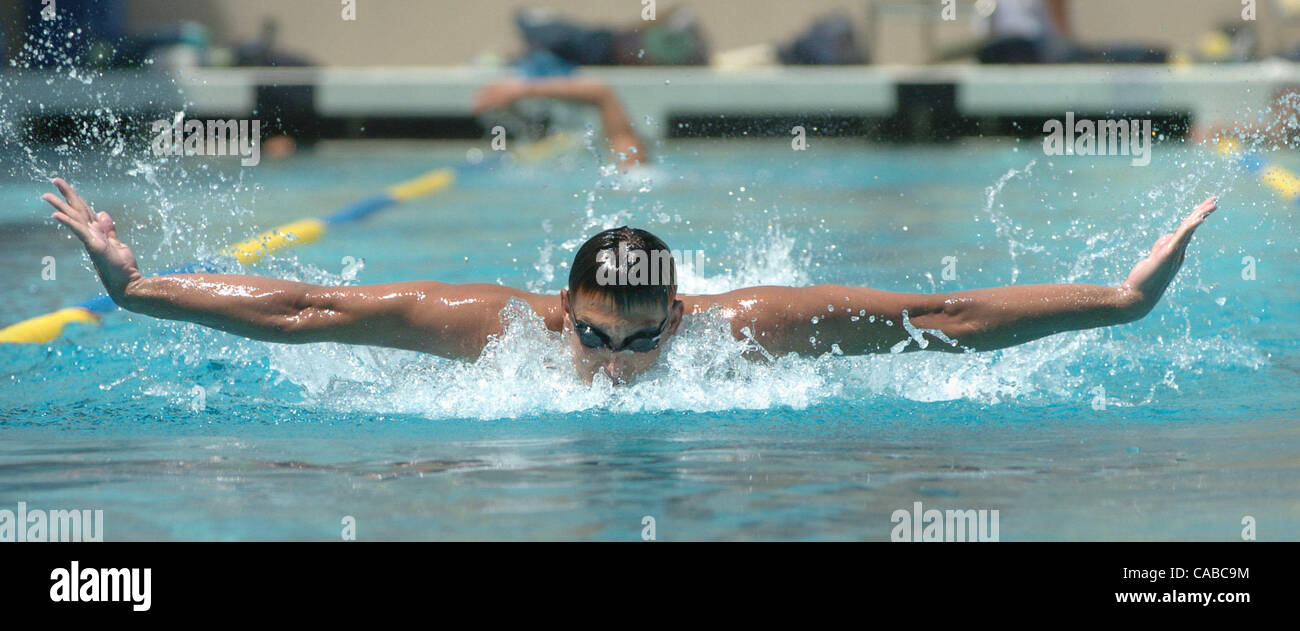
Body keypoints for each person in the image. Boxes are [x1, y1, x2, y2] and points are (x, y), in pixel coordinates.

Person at [43, 178, 1218, 385]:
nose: (615, 368)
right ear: (562, 312)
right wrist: (142, 289)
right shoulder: (490, 332)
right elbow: (313, 307)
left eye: (637, 345)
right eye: (595, 343)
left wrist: (1120, 299)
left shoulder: (736, 334)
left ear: (676, 315)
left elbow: (935, 317)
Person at [473, 77, 647, 170]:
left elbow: (601, 93)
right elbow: (603, 95)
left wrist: (522, 90)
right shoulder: (632, 171)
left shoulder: (629, 168)